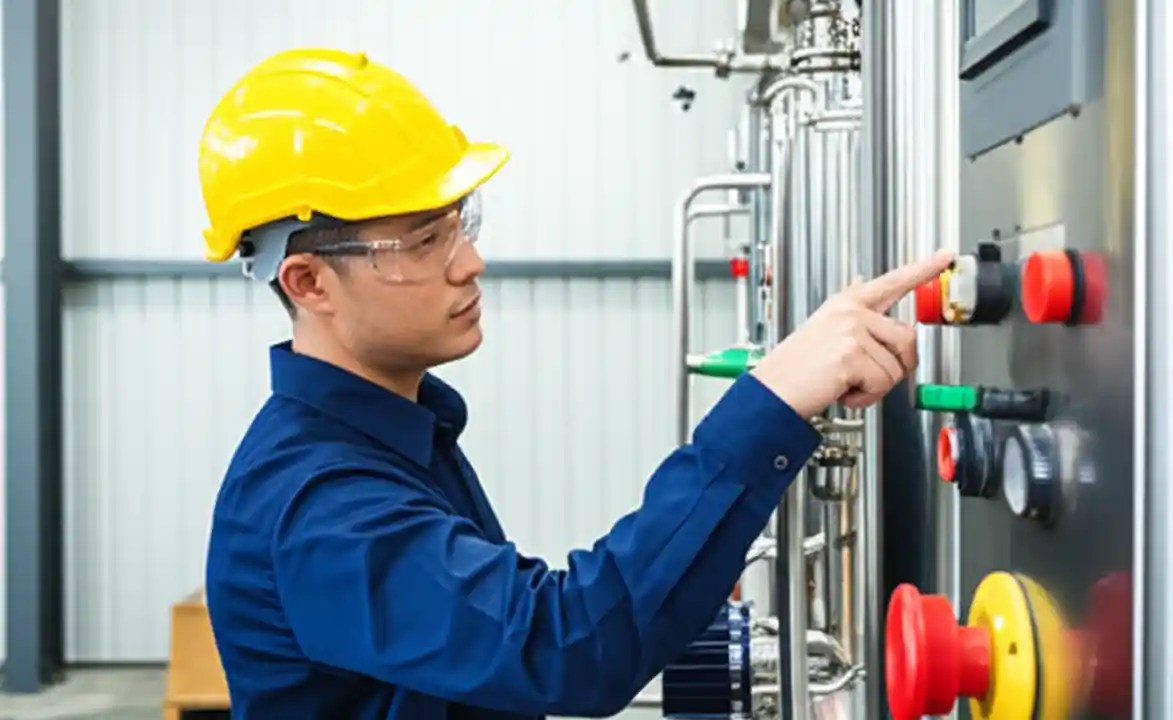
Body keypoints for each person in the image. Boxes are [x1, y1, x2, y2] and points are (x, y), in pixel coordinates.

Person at [199, 48, 952, 720]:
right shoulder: (321, 507)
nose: (468, 263)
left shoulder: (395, 435)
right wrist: (772, 400)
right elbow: (562, 648)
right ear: (309, 281)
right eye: (424, 241)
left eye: (461, 222)